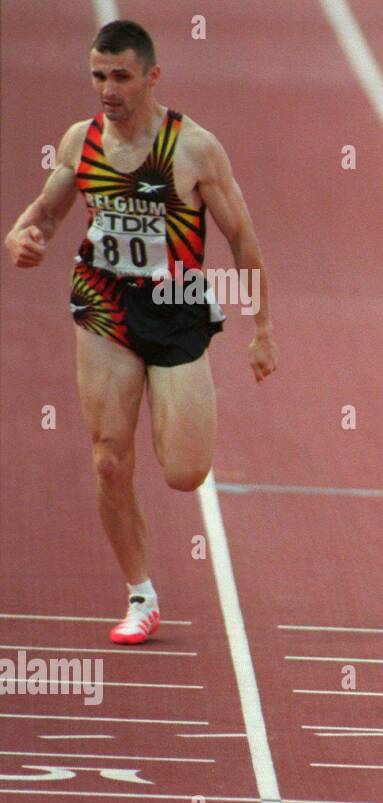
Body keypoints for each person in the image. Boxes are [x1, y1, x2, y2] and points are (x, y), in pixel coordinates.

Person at [4, 20, 279, 643]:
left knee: (183, 472)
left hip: (176, 308)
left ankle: (182, 391)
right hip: (103, 303)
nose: (108, 89)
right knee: (108, 459)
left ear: (152, 76)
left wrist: (263, 327)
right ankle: (140, 594)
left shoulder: (193, 149)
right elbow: (44, 213)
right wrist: (20, 236)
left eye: (121, 76)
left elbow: (242, 240)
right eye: (99, 76)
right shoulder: (82, 141)